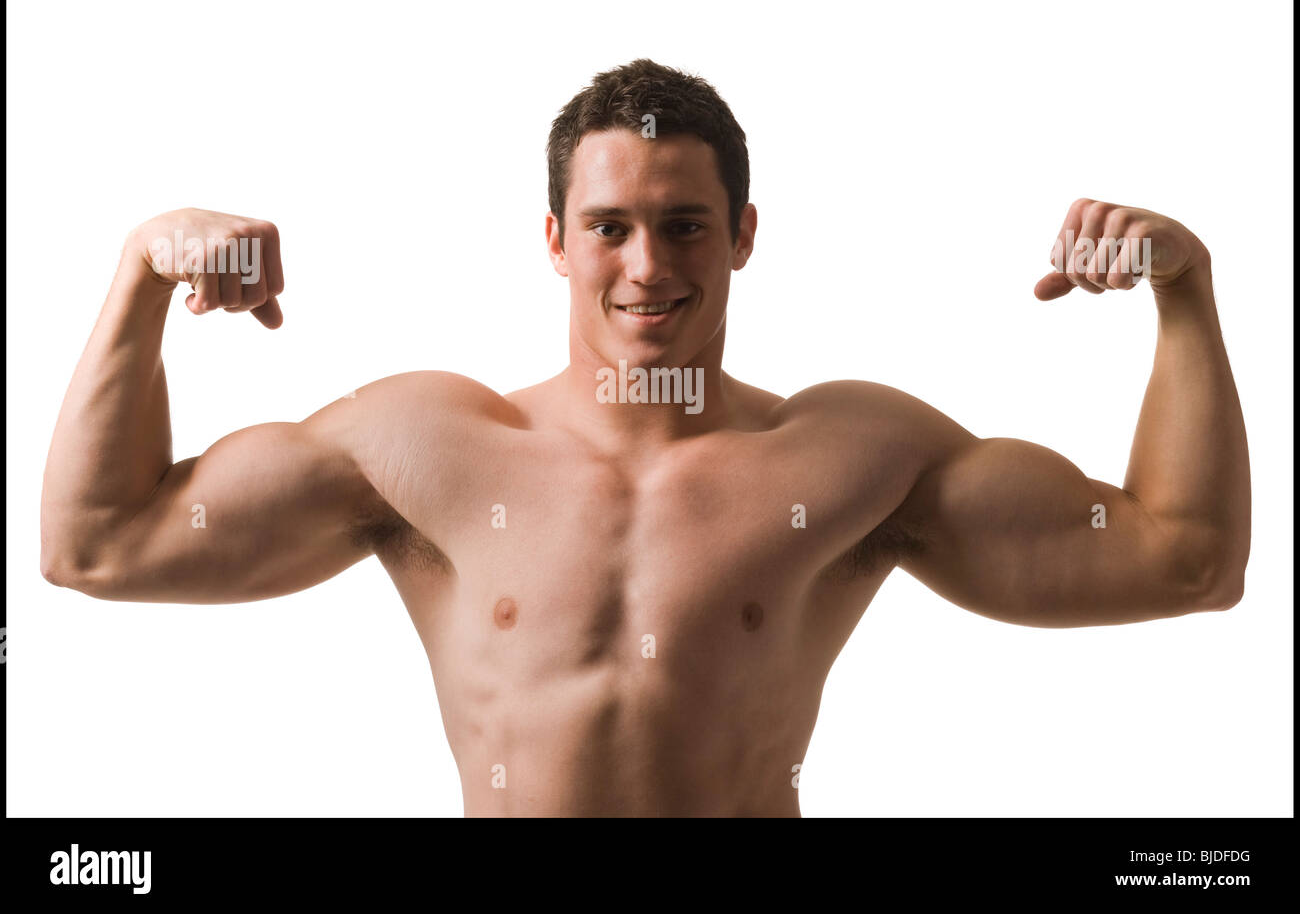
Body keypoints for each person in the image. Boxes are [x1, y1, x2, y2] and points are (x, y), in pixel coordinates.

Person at [40, 59, 1250, 817]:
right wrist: (144, 270)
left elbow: (1180, 561)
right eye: (610, 227)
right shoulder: (427, 445)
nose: (647, 267)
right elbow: (98, 544)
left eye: (684, 225)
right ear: (554, 240)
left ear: (743, 234)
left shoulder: (854, 458)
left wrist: (1183, 292)